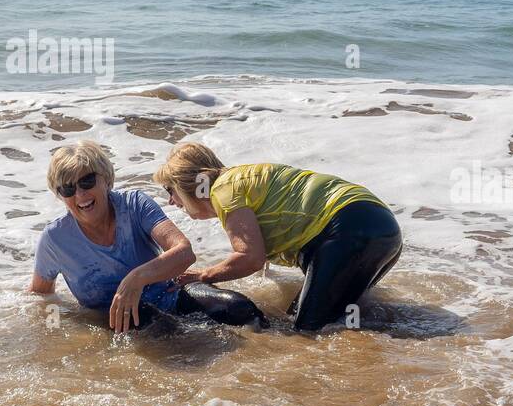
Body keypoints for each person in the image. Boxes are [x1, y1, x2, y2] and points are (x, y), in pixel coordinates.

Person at [152, 142, 401, 331]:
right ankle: (384, 336)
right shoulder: (243, 177)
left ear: (192, 183)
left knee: (307, 331)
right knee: (335, 315)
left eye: (169, 190)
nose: (171, 201)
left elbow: (250, 258)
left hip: (347, 228)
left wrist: (203, 275)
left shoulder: (223, 191)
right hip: (380, 225)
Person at [28, 141, 265, 331]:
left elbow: (184, 253)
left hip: (170, 295)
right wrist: (58, 332)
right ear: (59, 195)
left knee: (240, 309)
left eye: (87, 181)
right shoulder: (55, 239)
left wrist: (135, 279)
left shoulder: (134, 204)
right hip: (118, 319)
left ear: (106, 180)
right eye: (67, 189)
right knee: (159, 325)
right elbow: (41, 295)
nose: (80, 194)